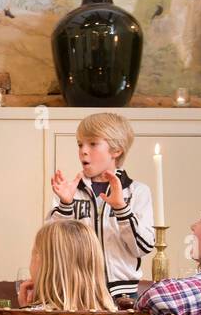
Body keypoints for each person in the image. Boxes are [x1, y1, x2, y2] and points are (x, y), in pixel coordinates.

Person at [48, 112, 154, 303]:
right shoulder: (70, 192)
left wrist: (121, 209)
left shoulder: (137, 192)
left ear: (116, 150)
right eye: (80, 144)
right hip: (76, 292)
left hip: (123, 296)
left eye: (93, 144)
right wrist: (65, 204)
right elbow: (51, 245)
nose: (83, 151)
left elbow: (143, 247)